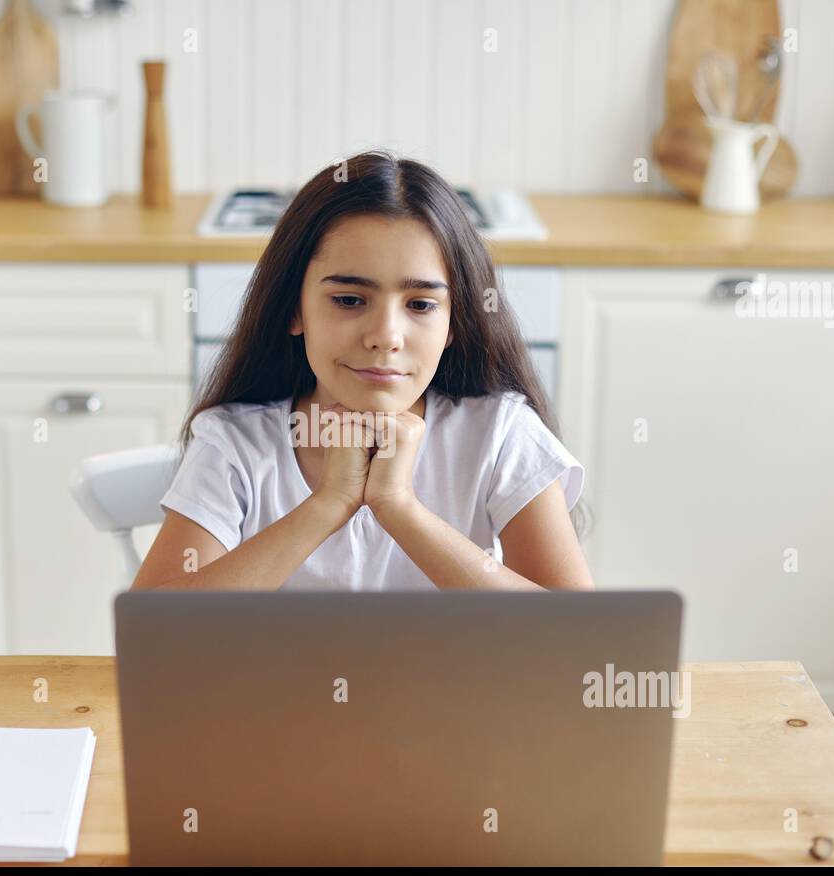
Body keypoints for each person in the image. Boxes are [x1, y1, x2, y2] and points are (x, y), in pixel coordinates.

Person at [131, 150, 593, 590]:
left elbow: (577, 636)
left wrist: (400, 508)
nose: (386, 336)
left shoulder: (501, 435)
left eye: (420, 304)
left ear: (454, 323)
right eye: (350, 300)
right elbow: (152, 632)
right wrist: (330, 502)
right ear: (294, 309)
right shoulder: (234, 445)